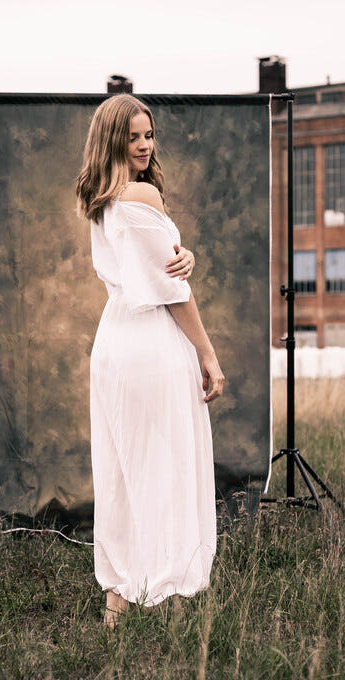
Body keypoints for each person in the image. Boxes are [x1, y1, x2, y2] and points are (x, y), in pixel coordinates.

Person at [75, 94, 225, 627]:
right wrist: (207, 354)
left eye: (149, 134)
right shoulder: (143, 195)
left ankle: (116, 600)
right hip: (150, 344)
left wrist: (185, 257)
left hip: (113, 341)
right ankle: (168, 594)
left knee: (119, 470)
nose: (145, 145)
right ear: (114, 141)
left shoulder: (99, 198)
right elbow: (172, 291)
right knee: (164, 465)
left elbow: (155, 266)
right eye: (134, 137)